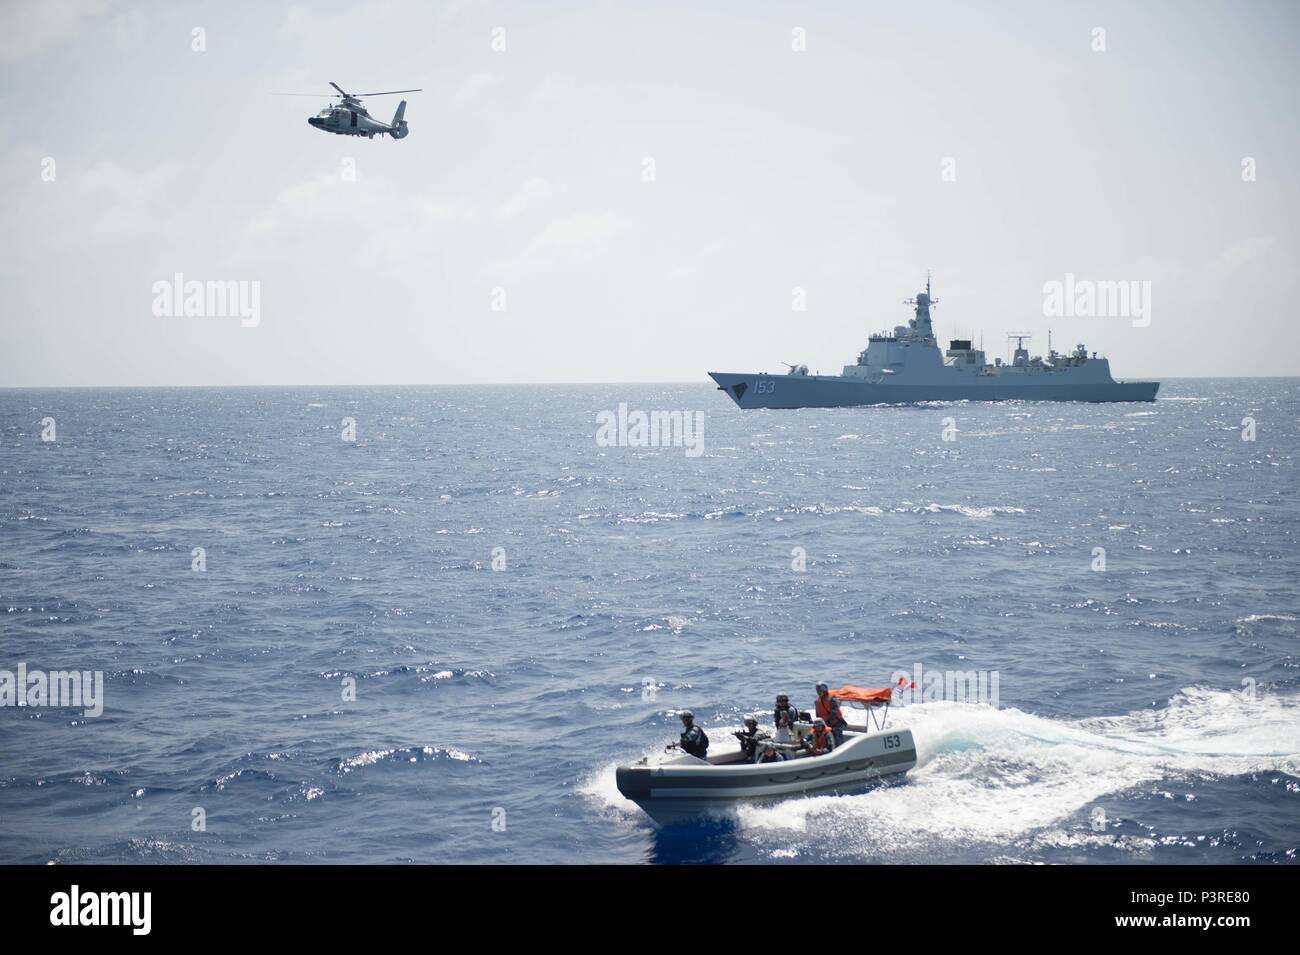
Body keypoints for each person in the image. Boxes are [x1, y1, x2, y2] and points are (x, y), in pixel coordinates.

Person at [815, 682, 848, 747]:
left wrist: (827, 722)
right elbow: (818, 715)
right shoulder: (817, 702)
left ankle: (840, 751)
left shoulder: (831, 700)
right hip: (825, 725)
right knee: (825, 740)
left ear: (824, 691)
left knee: (837, 739)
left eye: (820, 691)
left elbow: (834, 712)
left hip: (836, 724)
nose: (819, 692)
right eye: (818, 691)